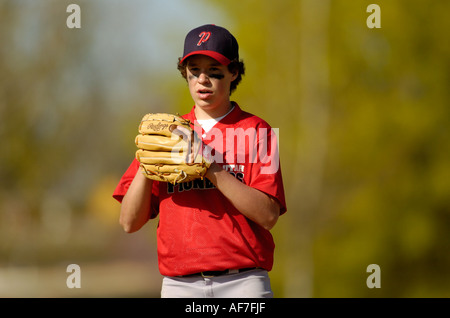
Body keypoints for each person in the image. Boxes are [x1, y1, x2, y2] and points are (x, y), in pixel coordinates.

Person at [112, 24, 287, 298]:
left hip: (242, 283)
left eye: (214, 71)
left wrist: (211, 167)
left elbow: (268, 215)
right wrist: (147, 165)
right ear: (185, 74)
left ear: (234, 72)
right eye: (194, 71)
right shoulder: (168, 133)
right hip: (179, 285)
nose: (203, 80)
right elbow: (128, 223)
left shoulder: (257, 131)